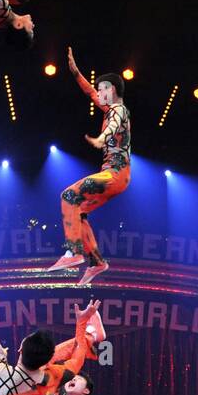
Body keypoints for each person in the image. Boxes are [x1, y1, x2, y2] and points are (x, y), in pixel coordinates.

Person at [44, 48, 131, 284]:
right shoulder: (110, 109)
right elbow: (90, 92)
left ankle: (73, 252)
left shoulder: (118, 110)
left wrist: (101, 139)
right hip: (113, 176)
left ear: (112, 90)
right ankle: (96, 262)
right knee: (79, 210)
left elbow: (113, 126)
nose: (99, 93)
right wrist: (75, 72)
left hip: (114, 175)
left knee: (68, 195)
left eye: (103, 89)